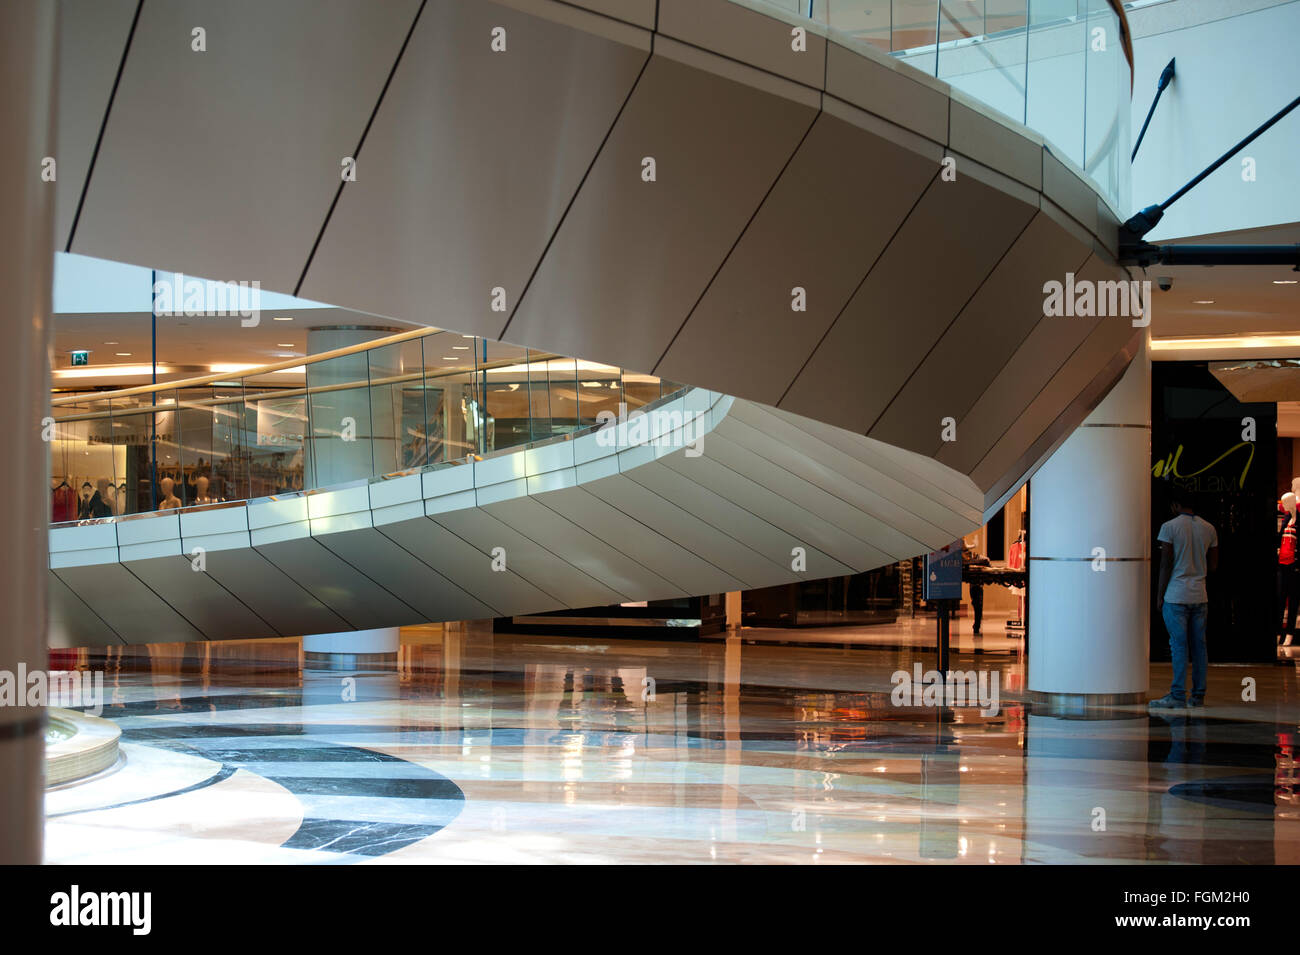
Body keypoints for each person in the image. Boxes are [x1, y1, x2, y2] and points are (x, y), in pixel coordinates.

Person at [1151, 491, 1218, 709]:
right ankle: (1198, 696)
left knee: (1179, 646)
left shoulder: (1169, 527)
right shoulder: (1209, 528)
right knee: (1200, 647)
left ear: (1176, 505)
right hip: (1200, 594)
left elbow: (1165, 564)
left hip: (1176, 595)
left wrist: (1159, 595)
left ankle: (1178, 695)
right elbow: (1214, 565)